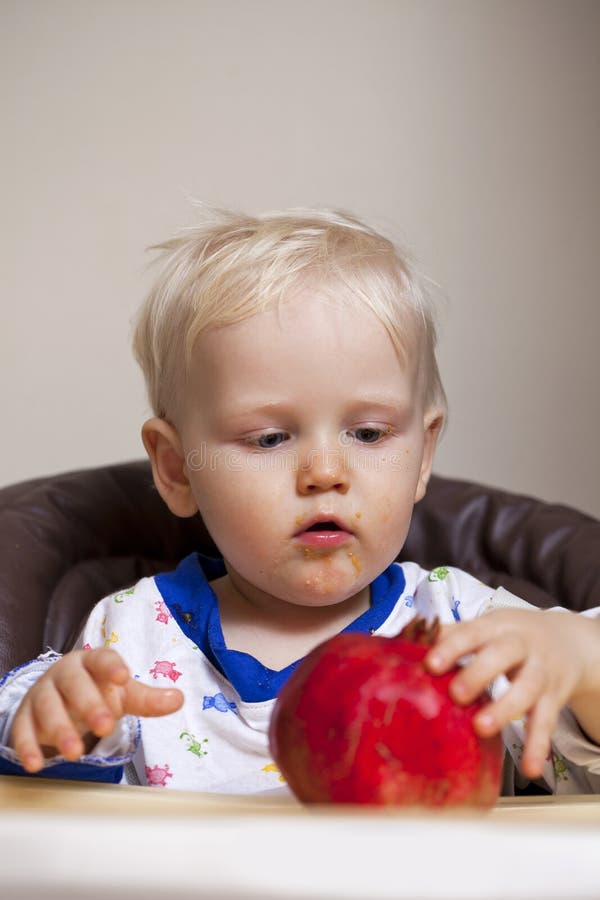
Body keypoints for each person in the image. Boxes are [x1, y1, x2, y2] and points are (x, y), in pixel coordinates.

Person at [1, 207, 599, 795]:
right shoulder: (131, 638)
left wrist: (579, 661)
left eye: (368, 434)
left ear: (423, 454)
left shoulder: (471, 629)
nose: (324, 472)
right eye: (269, 438)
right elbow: (44, 786)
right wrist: (58, 722)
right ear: (177, 469)